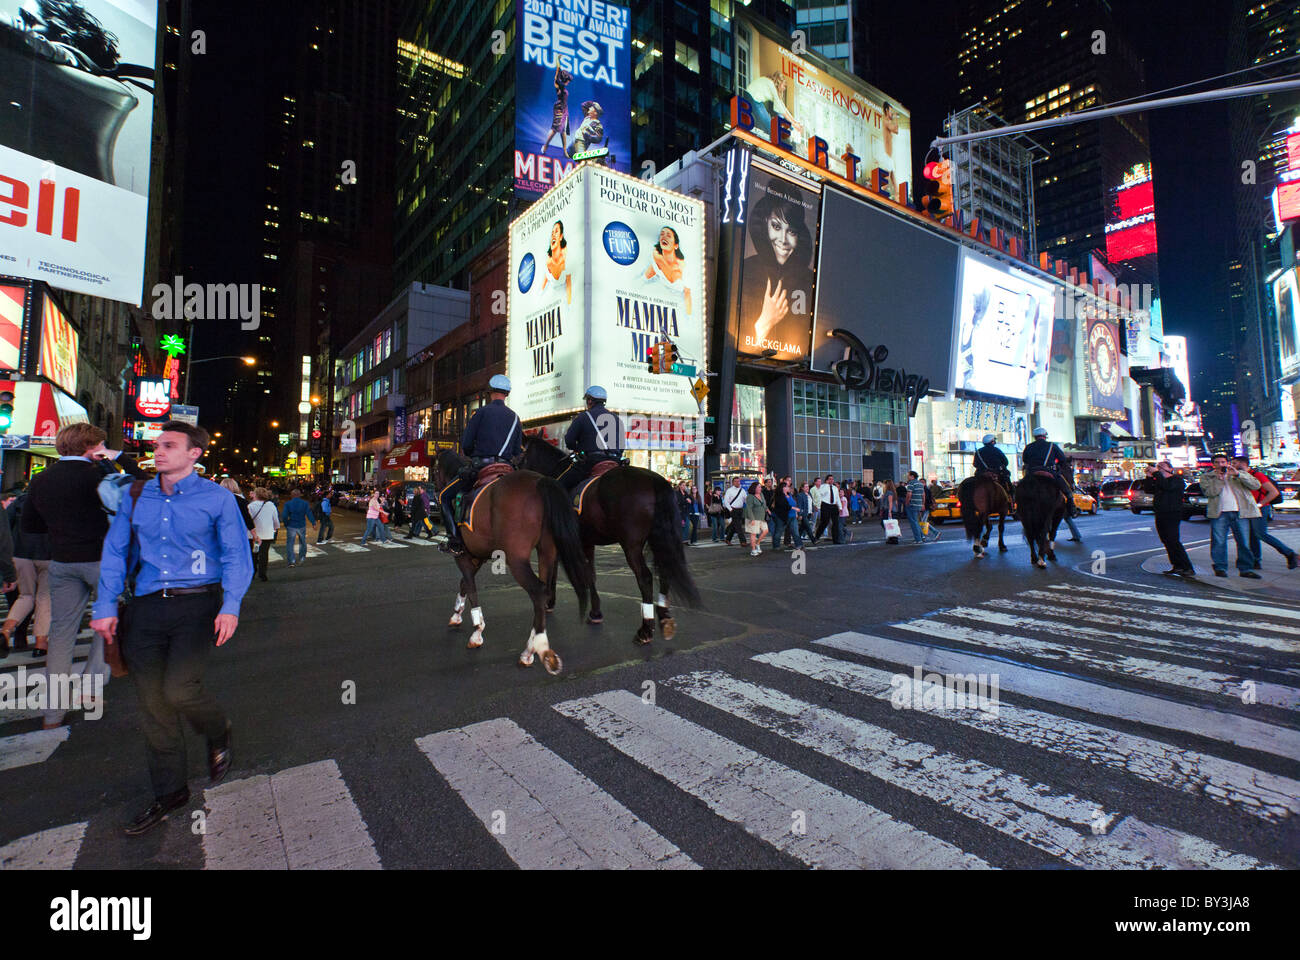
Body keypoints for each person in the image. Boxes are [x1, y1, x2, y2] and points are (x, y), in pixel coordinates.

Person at [90, 421, 252, 837]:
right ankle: (170, 792)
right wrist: (106, 604)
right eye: (157, 445)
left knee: (180, 688)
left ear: (194, 453)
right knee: (152, 703)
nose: (158, 451)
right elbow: (116, 550)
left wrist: (230, 605)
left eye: (169, 445)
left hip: (197, 604)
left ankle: (218, 729)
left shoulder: (217, 499)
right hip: (145, 607)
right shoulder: (135, 494)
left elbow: (236, 554)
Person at [22, 423, 146, 728]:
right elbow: (143, 485)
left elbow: (32, 527)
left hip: (62, 562)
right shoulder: (100, 475)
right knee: (107, 625)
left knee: (61, 634)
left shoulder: (40, 480)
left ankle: (53, 712)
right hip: (104, 560)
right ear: (92, 446)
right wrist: (116, 458)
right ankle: (91, 689)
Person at [439, 373, 522, 556]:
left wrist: (472, 455)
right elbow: (517, 451)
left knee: (444, 496)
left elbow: (467, 444)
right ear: (507, 394)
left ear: (490, 392)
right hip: (507, 469)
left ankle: (454, 540)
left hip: (481, 467)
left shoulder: (480, 413)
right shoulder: (515, 418)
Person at [1198, 453, 1262, 579]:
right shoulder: (1207, 477)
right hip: (1219, 513)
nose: (1221, 465)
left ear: (1228, 463)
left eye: (1223, 462)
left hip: (1240, 512)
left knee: (1243, 541)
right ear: (1213, 464)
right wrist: (1219, 479)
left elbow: (1256, 485)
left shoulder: (1238, 473)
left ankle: (1246, 569)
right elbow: (1210, 493)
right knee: (1219, 541)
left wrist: (1238, 475)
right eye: (1217, 462)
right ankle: (1220, 567)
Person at [3, 487, 49, 657]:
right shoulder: (59, 500)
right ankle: (40, 643)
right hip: (49, 555)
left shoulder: (20, 501)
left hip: (20, 553)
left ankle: (5, 632)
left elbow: (6, 529)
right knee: (44, 598)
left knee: (25, 596)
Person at [1236, 457, 1299, 570]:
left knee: (1260, 534)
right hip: (1248, 508)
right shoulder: (1239, 475)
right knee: (1252, 535)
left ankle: (1289, 553)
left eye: (1235, 463)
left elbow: (1273, 492)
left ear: (1242, 464)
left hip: (1260, 508)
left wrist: (1260, 504)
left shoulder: (1257, 475)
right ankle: (1255, 560)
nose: (1232, 465)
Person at [559, 385, 624, 494]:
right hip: (615, 462)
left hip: (591, 461)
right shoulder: (617, 419)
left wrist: (578, 449)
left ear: (590, 400)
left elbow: (569, 441)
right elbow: (621, 447)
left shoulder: (583, 417)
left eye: (587, 400)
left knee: (559, 486)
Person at [1144, 462, 1193, 577]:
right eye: (1158, 466)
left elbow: (1167, 486)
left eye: (1162, 466)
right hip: (1160, 512)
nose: (1159, 468)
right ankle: (1177, 566)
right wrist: (1149, 476)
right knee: (1166, 540)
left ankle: (1187, 567)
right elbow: (1148, 489)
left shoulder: (1177, 480)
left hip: (1172, 513)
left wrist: (1156, 473)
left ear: (1170, 468)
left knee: (1173, 540)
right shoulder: (1159, 480)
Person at [1021, 427, 1074, 504]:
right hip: (1048, 471)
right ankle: (1071, 505)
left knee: (1022, 486)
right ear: (1045, 436)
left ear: (1035, 437)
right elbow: (1062, 459)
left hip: (1032, 472)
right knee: (1064, 485)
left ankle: (1017, 506)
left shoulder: (1028, 447)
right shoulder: (1052, 446)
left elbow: (1025, 460)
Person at [540, 64, 573, 156]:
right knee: (555, 129)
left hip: (564, 109)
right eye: (568, 81)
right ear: (565, 79)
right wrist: (557, 60)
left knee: (563, 131)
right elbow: (557, 74)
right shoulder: (559, 87)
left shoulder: (562, 87)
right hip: (559, 108)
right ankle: (545, 146)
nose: (568, 83)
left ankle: (565, 150)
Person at [248, 488, 279, 582]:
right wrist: (275, 527)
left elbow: (247, 520)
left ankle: (252, 572)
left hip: (254, 535)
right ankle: (263, 574)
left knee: (254, 554)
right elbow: (275, 520)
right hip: (266, 534)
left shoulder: (250, 506)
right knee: (264, 554)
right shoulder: (271, 505)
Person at [279, 488, 316, 567]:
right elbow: (309, 513)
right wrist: (313, 523)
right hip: (301, 525)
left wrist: (286, 523)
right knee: (302, 542)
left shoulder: (288, 504)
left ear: (291, 495)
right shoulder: (305, 503)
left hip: (291, 525)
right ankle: (302, 557)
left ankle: (291, 560)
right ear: (300, 495)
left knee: (290, 544)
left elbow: (285, 516)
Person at [813, 474, 842, 545]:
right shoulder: (823, 486)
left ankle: (835, 539)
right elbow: (819, 495)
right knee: (824, 522)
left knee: (836, 523)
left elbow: (837, 498)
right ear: (827, 480)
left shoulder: (835, 488)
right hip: (825, 505)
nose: (831, 480)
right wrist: (817, 505)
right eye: (830, 479)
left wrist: (840, 507)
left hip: (834, 506)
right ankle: (817, 536)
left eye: (832, 479)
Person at [902, 471, 928, 544]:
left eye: (908, 475)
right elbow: (923, 494)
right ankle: (922, 536)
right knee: (916, 521)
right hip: (919, 504)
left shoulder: (911, 483)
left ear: (912, 476)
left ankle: (918, 539)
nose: (907, 476)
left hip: (912, 504)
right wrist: (923, 504)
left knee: (913, 522)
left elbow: (909, 494)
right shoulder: (920, 483)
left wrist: (907, 503)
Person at [744, 482, 767, 557]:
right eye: (759, 487)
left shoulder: (761, 494)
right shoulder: (750, 496)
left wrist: (767, 510)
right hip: (753, 517)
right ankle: (753, 550)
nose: (761, 488)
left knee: (765, 531)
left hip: (762, 517)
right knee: (753, 534)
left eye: (760, 487)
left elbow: (764, 504)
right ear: (755, 488)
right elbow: (748, 508)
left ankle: (757, 543)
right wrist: (752, 519)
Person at [722, 476, 747, 546]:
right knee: (739, 526)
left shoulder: (742, 490)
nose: (737, 483)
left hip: (740, 510)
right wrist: (730, 509)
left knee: (734, 525)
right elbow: (725, 502)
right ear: (733, 482)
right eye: (736, 481)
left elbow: (746, 500)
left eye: (738, 481)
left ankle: (728, 539)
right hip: (733, 510)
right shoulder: (729, 490)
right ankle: (743, 541)